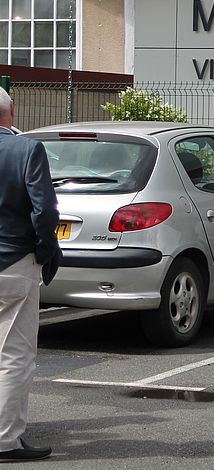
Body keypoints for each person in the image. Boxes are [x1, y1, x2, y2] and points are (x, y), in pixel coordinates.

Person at [0, 88, 61, 462]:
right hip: (14, 261)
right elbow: (44, 209)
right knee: (15, 355)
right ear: (12, 111)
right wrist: (43, 250)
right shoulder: (26, 149)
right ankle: (6, 440)